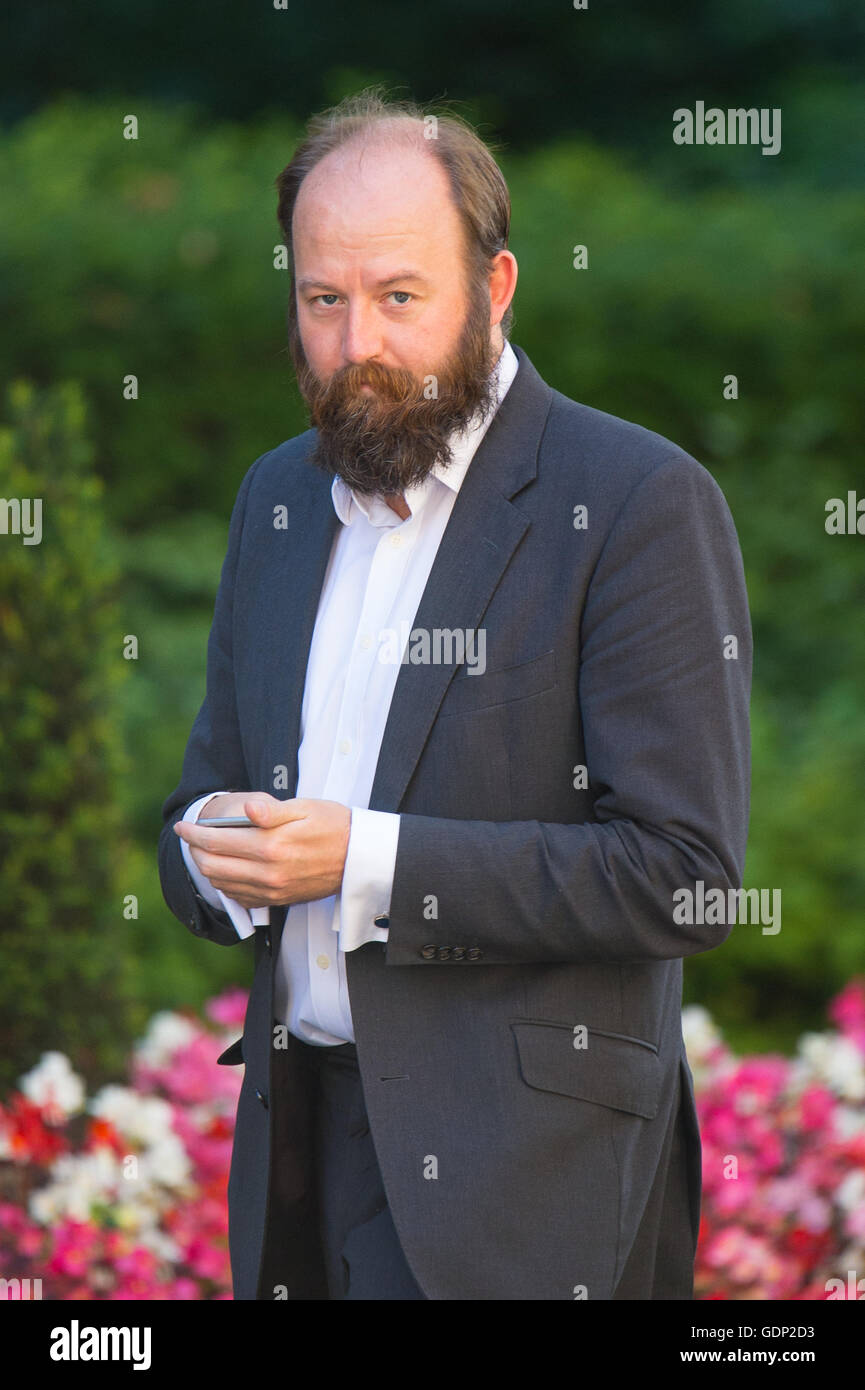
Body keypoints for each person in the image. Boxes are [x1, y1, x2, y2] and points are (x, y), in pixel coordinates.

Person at [158, 88, 752, 1301]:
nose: (357, 343)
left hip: (524, 1189)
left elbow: (681, 873)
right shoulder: (275, 499)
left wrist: (357, 861)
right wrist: (214, 858)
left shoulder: (636, 501)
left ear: (496, 288)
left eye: (398, 297)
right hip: (293, 1163)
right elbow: (199, 806)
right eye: (323, 299)